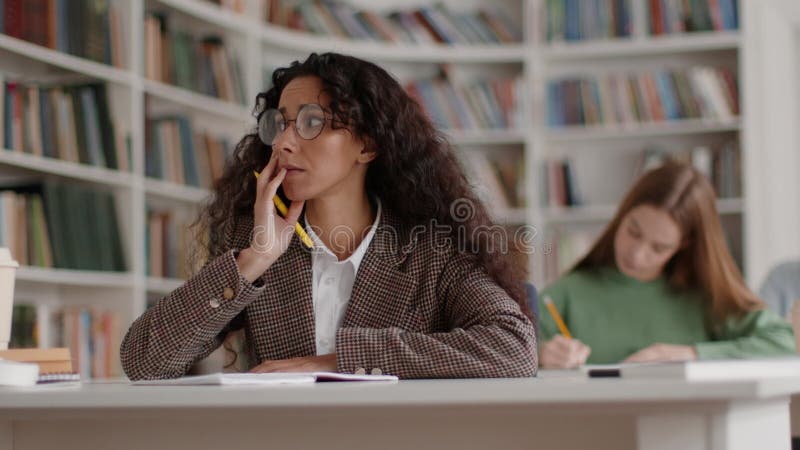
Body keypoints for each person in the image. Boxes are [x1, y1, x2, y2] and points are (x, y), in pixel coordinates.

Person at [120, 52, 536, 380]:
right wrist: (253, 261)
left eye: (311, 122)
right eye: (280, 124)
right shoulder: (253, 242)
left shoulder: (433, 250)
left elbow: (515, 347)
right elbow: (143, 360)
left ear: (368, 145)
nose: (283, 142)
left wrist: (339, 361)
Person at [538, 162, 795, 369]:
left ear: (684, 244)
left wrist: (690, 355)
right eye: (633, 231)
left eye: (658, 248)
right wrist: (541, 355)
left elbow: (784, 342)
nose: (637, 255)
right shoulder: (566, 294)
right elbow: (507, 352)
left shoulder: (707, 297)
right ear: (622, 215)